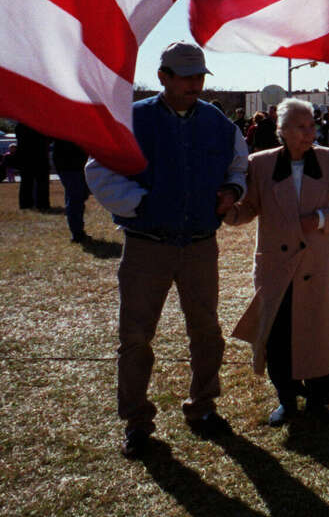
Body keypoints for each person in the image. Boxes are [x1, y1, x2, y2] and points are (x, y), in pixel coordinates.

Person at [85, 41, 248, 459]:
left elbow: (237, 164)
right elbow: (98, 170)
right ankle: (137, 423)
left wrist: (232, 189)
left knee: (207, 332)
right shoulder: (131, 119)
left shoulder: (216, 121)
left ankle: (203, 407)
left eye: (199, 75)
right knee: (136, 337)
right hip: (146, 247)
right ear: (163, 77)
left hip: (199, 246)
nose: (195, 83)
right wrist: (142, 205)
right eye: (185, 75)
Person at [224, 98, 329, 425]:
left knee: (317, 331)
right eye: (301, 127)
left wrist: (322, 219)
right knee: (277, 335)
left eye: (312, 125)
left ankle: (318, 399)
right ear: (282, 130)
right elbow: (248, 207)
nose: (309, 132)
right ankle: (286, 398)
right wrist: (227, 211)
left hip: (319, 264)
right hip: (276, 268)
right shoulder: (259, 164)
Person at [52, 137, 91, 242]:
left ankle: (77, 230)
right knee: (75, 197)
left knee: (78, 196)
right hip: (70, 164)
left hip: (75, 163)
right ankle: (77, 232)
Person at [14, 122, 51, 211]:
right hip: (40, 156)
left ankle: (25, 204)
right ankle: (42, 203)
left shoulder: (21, 126)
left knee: (26, 182)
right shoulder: (42, 125)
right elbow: (49, 139)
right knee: (42, 182)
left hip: (25, 157)